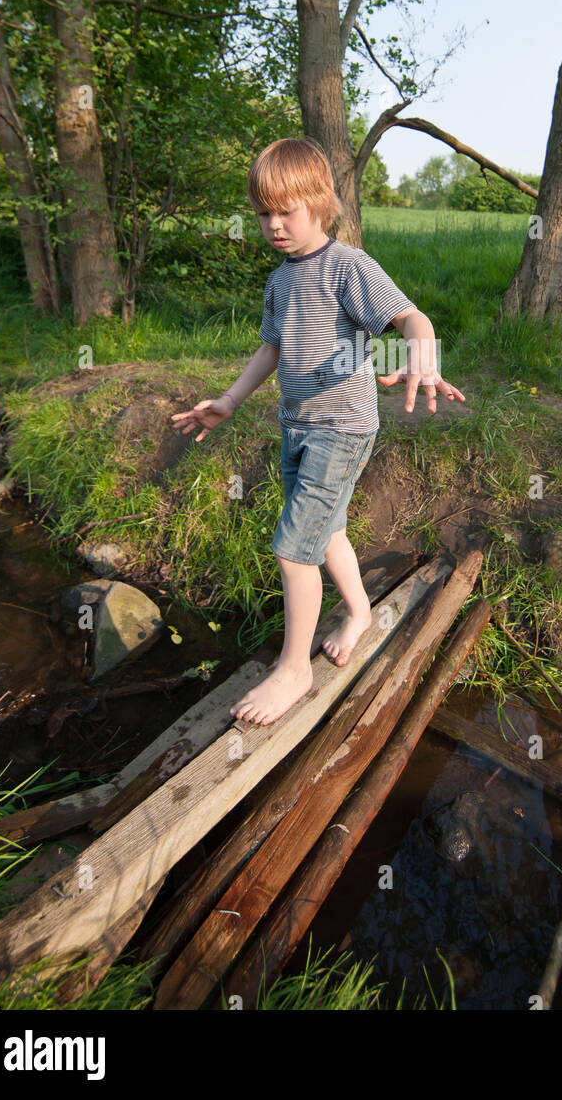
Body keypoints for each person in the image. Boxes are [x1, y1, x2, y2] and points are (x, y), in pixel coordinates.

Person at [170, 137, 466, 726]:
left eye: (287, 211)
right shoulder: (280, 282)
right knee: (324, 532)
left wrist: (423, 357)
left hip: (343, 426)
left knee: (291, 548)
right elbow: (272, 348)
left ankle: (294, 671)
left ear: (321, 205)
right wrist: (228, 401)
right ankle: (358, 612)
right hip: (297, 426)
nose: (274, 225)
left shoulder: (348, 267)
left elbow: (411, 317)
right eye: (263, 214)